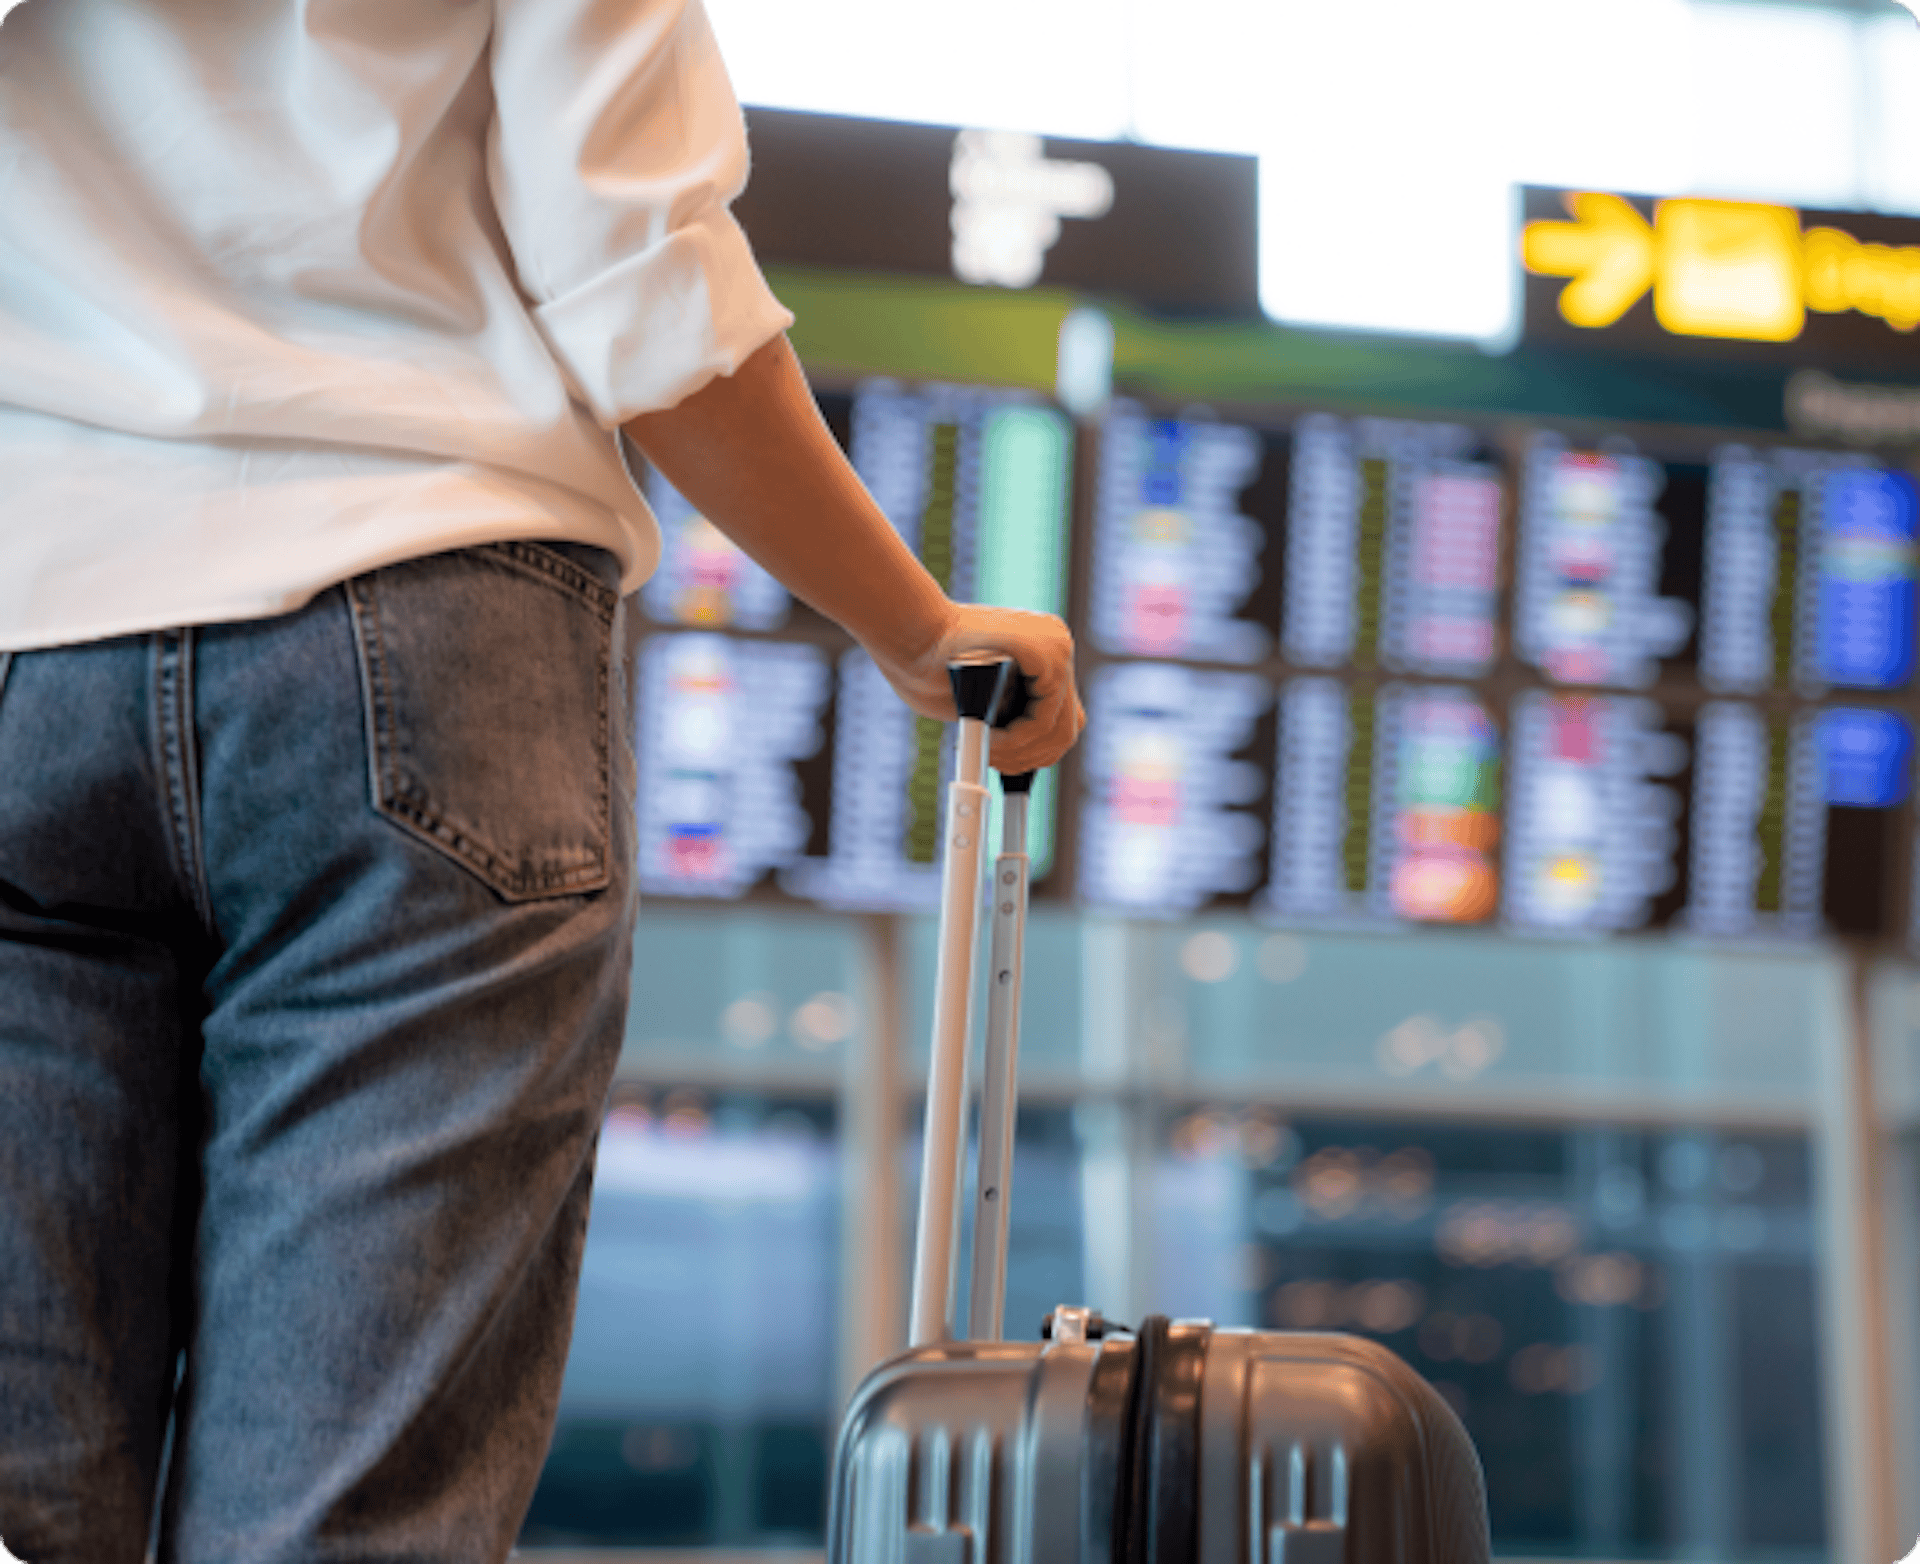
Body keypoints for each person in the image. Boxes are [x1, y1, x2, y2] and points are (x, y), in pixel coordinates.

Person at [0, 0, 1084, 1558]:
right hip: (422, 614)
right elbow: (639, 272)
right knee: (348, 1518)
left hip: (24, 612)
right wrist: (909, 629)